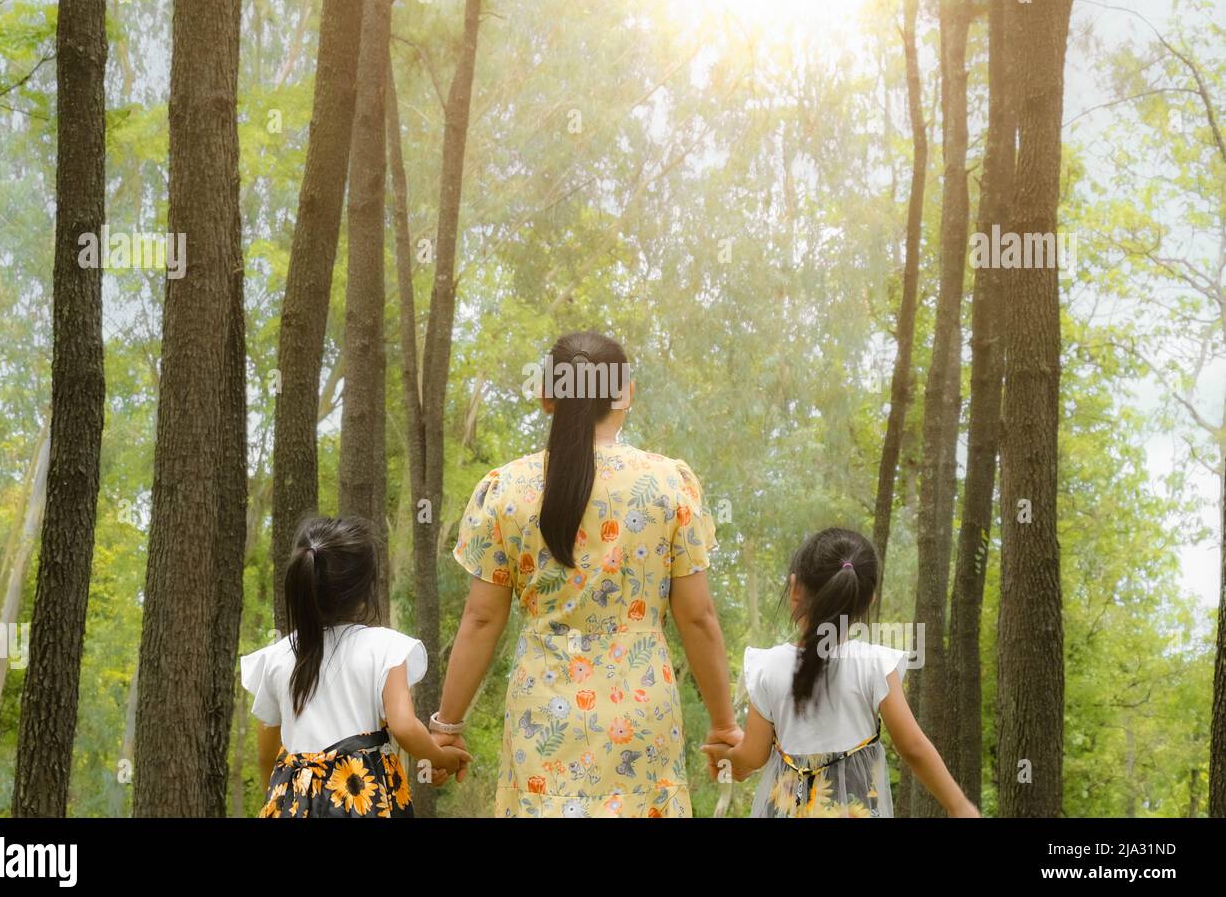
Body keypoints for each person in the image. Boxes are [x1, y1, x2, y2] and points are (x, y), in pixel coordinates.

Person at [432, 331, 740, 817]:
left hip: (543, 720)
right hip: (641, 718)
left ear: (546, 396)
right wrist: (724, 726)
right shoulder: (668, 484)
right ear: (626, 394)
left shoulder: (505, 489)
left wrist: (446, 728)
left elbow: (480, 621)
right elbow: (697, 617)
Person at [702, 527, 979, 818]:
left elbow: (752, 757)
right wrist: (959, 807)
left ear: (795, 590)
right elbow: (913, 747)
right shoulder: (874, 664)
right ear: (868, 599)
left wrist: (724, 755)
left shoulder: (768, 666)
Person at [240, 515, 469, 817]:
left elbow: (266, 753)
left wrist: (279, 797)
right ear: (366, 589)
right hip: (362, 798)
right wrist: (440, 757)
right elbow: (403, 726)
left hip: (294, 798)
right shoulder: (385, 648)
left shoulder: (276, 657)